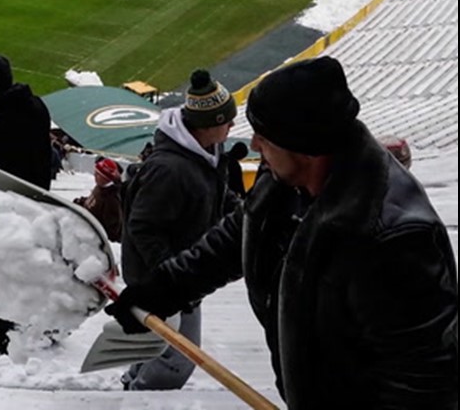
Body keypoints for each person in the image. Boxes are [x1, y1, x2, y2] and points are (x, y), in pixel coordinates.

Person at [107, 57, 457, 407]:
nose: (255, 145)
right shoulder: (280, 183)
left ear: (303, 145)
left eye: (265, 136)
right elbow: (234, 238)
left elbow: (423, 383)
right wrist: (163, 289)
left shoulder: (391, 238)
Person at [117, 68, 236, 390]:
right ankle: (145, 398)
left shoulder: (205, 156)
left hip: (179, 274)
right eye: (227, 121)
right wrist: (171, 275)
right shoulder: (170, 169)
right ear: (208, 125)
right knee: (177, 359)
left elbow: (217, 200)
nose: (233, 126)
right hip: (163, 280)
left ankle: (131, 389)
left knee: (150, 348)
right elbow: (143, 226)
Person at [0, 54, 53, 356]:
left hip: (9, 210)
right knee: (30, 268)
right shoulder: (37, 107)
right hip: (40, 202)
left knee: (2, 271)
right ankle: (41, 324)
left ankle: (0, 336)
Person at [75, 157, 123, 242]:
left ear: (106, 178)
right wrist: (81, 202)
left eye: (98, 174)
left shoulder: (111, 200)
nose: (94, 176)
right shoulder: (100, 187)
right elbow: (92, 202)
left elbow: (112, 231)